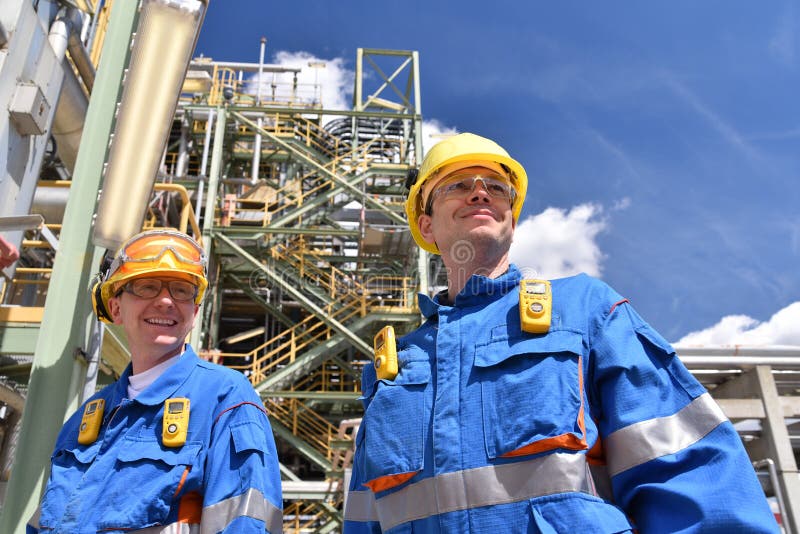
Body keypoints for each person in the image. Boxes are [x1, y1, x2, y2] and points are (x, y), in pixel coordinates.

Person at [343, 133, 777, 532]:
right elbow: (364, 517)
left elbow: (687, 468)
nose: (480, 192)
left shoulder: (586, 310)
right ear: (426, 226)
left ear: (510, 218)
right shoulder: (393, 371)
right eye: (457, 185)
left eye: (496, 188)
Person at [28, 229, 283, 533]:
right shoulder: (86, 418)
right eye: (146, 286)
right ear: (116, 308)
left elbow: (244, 525)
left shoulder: (225, 399)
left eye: (181, 289)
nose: (165, 301)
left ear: (194, 311)